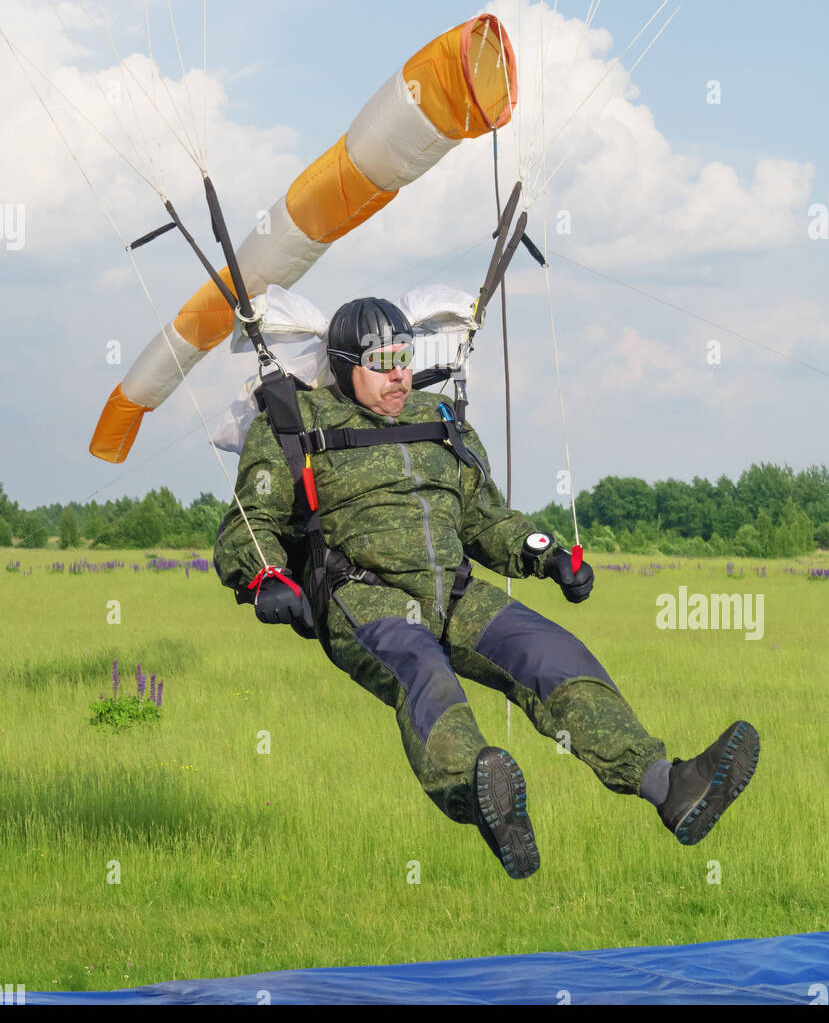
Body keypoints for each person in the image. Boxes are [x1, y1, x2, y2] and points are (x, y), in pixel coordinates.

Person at [214, 297, 760, 879]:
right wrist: (265, 576)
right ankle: (483, 796)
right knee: (423, 673)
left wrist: (546, 555)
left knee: (550, 653)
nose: (399, 373)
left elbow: (486, 521)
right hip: (365, 596)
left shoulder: (441, 419)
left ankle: (670, 787)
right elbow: (247, 525)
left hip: (454, 591)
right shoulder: (295, 425)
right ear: (346, 365)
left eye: (405, 356)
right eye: (381, 362)